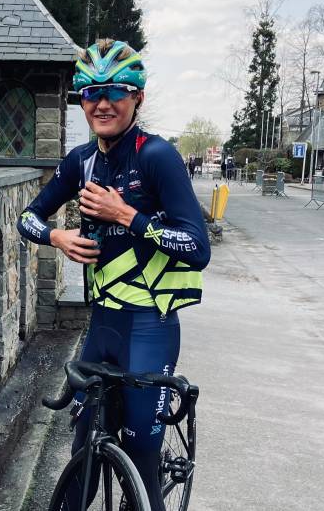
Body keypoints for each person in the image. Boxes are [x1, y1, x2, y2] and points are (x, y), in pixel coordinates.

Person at [16, 39, 211, 511]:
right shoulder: (79, 162)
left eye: (116, 90)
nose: (102, 102)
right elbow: (28, 218)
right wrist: (56, 238)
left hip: (151, 324)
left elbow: (198, 248)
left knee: (142, 454)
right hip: (101, 324)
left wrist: (129, 217)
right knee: (82, 448)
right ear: (81, 100)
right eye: (90, 92)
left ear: (137, 98)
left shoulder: (157, 156)